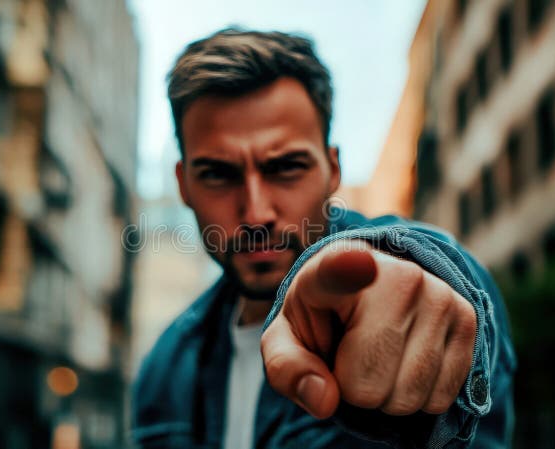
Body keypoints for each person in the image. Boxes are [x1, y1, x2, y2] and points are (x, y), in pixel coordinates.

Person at [130, 28, 516, 449]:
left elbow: (437, 268)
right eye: (218, 174)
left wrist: (421, 289)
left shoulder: (402, 266)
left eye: (286, 167)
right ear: (184, 185)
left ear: (333, 171)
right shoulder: (164, 367)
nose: (256, 212)